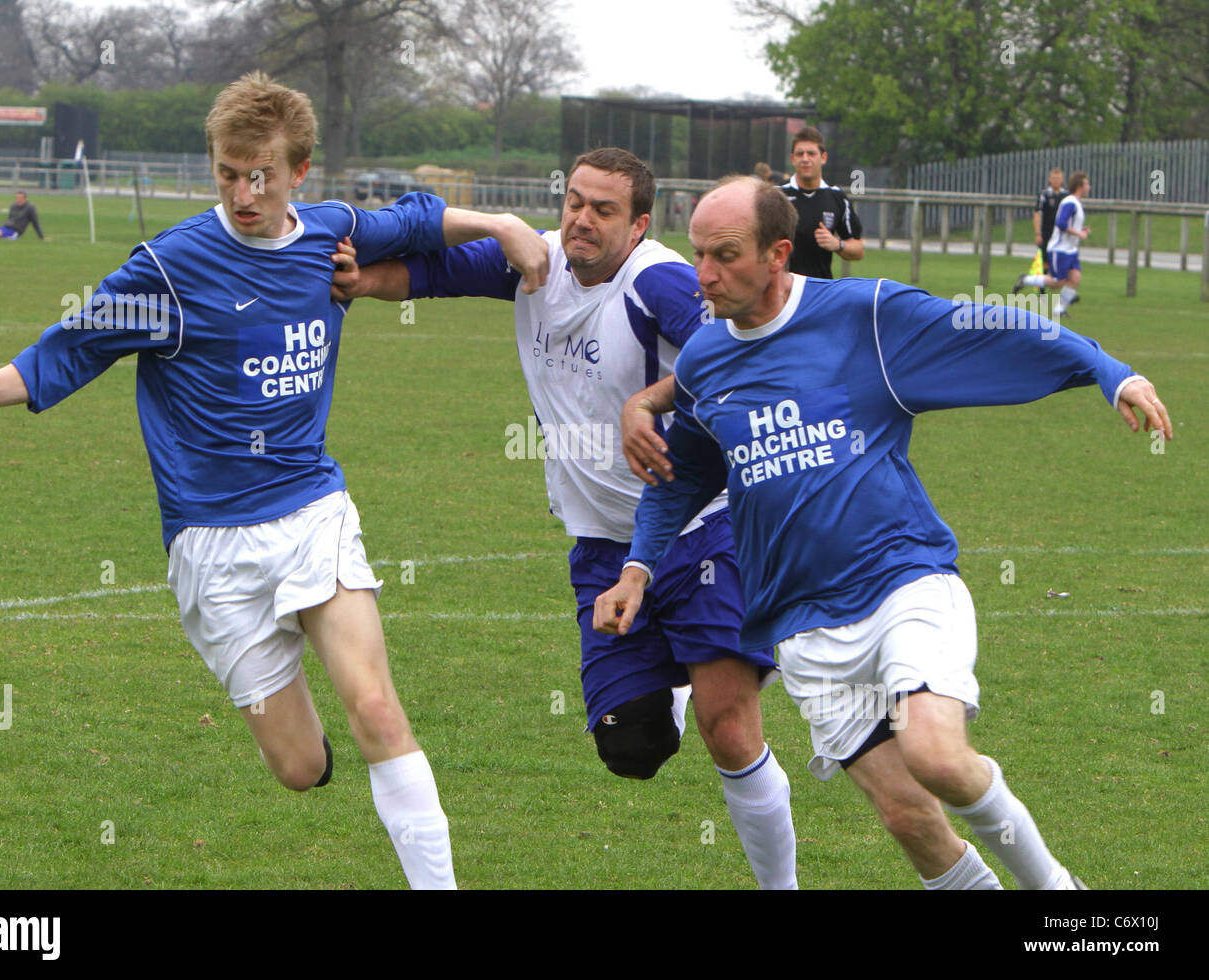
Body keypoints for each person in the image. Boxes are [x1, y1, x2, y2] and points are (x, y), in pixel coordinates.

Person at [0, 71, 550, 890]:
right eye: (227, 173)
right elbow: (61, 354)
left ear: (298, 174)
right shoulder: (169, 271)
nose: (244, 193)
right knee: (297, 767)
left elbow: (416, 219)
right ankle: (312, 759)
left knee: (379, 710)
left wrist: (501, 224)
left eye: (263, 176)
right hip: (211, 543)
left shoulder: (332, 233)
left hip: (312, 508)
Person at [596, 175, 1172, 890]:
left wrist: (1107, 371)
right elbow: (682, 479)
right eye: (698, 254)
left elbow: (989, 327)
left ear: (779, 254)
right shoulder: (708, 361)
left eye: (725, 255)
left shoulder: (864, 314)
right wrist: (637, 570)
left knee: (937, 757)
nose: (704, 276)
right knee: (908, 818)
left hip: (902, 582)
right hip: (801, 624)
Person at [331, 147, 799, 889]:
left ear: (639, 224)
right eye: (575, 201)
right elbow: (419, 269)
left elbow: (730, 346)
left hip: (705, 525)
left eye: (603, 209)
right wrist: (355, 279)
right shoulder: (536, 263)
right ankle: (678, 681)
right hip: (601, 546)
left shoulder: (659, 281)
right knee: (631, 747)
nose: (581, 219)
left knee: (730, 727)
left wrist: (653, 403)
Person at [779, 126, 863, 277]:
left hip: (821, 290)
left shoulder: (837, 198)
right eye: (800, 154)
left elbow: (858, 250)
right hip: (783, 289)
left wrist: (837, 244)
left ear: (823, 158)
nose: (805, 159)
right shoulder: (777, 195)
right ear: (793, 159)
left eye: (811, 153)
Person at [1015, 171, 1090, 318]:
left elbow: (1069, 224)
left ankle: (1059, 310)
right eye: (1087, 184)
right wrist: (1079, 234)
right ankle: (1025, 279)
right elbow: (1061, 223)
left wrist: (1081, 231)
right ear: (1080, 186)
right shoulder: (1070, 202)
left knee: (1075, 278)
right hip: (1059, 249)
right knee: (1057, 282)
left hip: (1070, 250)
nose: (1089, 187)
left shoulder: (1075, 202)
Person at [1030, 167, 1067, 292]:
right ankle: (1041, 291)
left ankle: (1063, 289)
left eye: (1059, 178)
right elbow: (1037, 213)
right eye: (1054, 178)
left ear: (1062, 180)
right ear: (1049, 179)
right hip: (1047, 232)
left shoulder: (1066, 196)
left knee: (1062, 261)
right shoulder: (1044, 194)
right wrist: (1037, 233)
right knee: (1045, 261)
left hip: (1061, 234)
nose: (1056, 181)